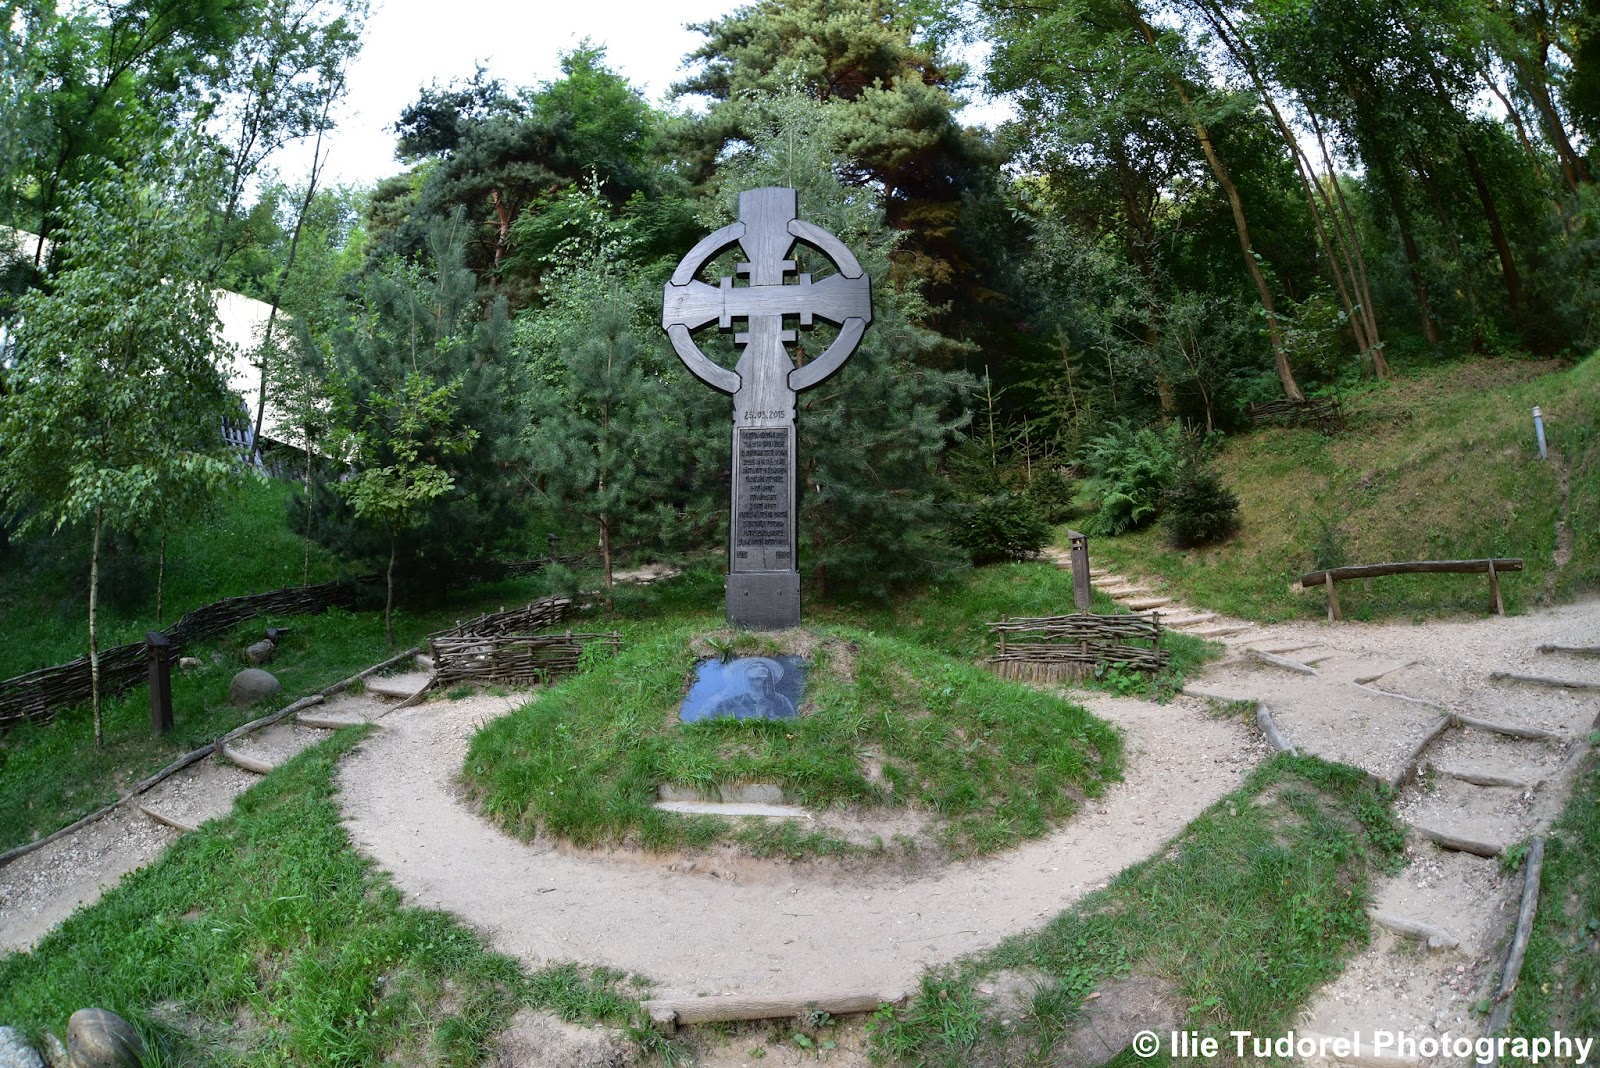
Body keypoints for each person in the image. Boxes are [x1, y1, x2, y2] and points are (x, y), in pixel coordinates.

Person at [708, 657, 796, 720]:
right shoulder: (728, 702)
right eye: (754, 667)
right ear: (744, 673)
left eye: (764, 666)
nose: (762, 669)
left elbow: (792, 721)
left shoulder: (780, 700)